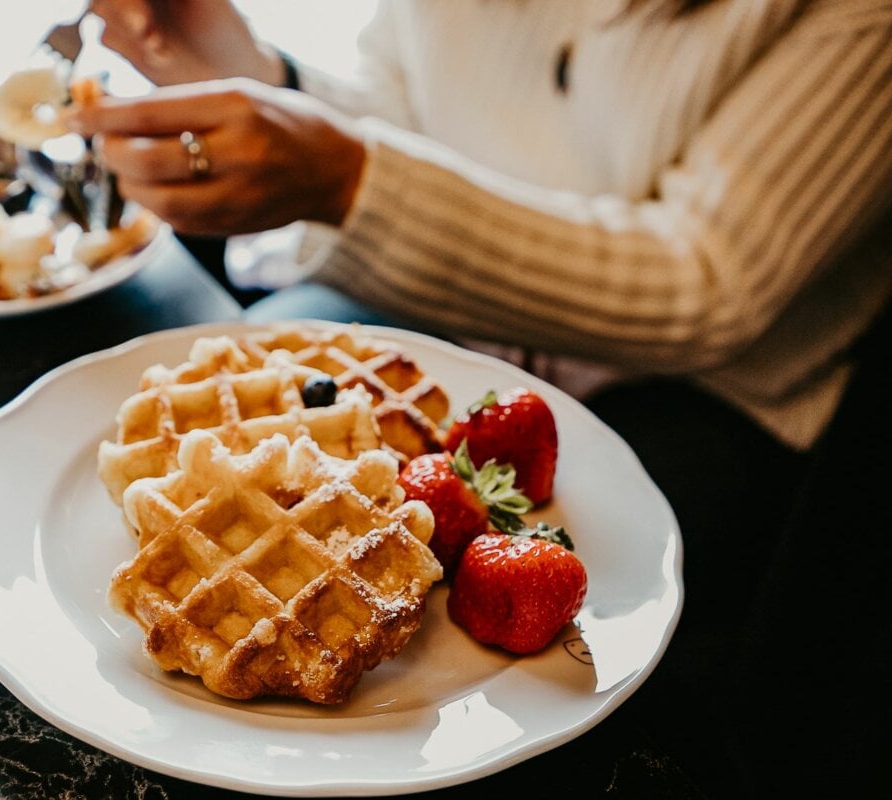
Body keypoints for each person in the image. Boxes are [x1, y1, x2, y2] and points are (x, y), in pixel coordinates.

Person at [67, 0, 892, 793]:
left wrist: (353, 183)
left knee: (603, 692)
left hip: (708, 394)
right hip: (445, 323)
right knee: (274, 337)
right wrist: (245, 67)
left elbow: (707, 281)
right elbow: (400, 115)